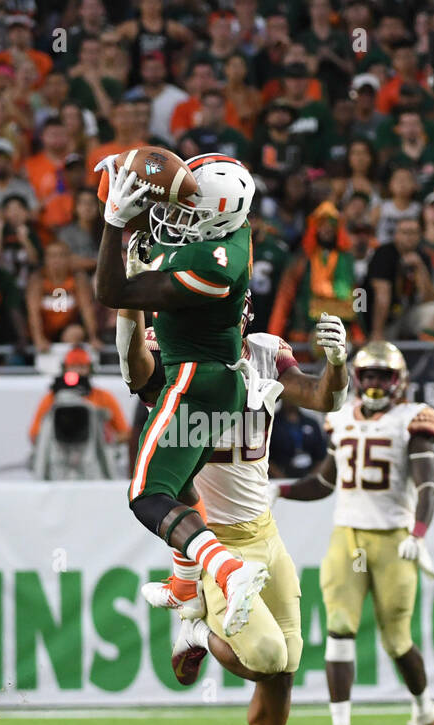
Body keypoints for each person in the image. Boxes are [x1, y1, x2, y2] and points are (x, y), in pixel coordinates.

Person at [133, 302, 348, 725]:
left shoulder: (265, 353)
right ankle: (197, 632)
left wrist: (338, 363)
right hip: (211, 538)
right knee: (265, 660)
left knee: (287, 667)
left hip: (266, 534)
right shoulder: (170, 359)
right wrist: (129, 305)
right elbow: (133, 362)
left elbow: (325, 398)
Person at [93, 152, 271, 640]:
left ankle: (230, 571)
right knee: (183, 488)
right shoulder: (232, 233)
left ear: (216, 218)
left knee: (146, 496)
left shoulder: (209, 269)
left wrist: (113, 227)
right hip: (220, 386)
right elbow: (183, 193)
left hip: (194, 380)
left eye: (190, 215)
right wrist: (140, 170)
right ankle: (186, 585)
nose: (175, 218)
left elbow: (110, 291)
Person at [278, 342, 434, 725]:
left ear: (398, 380)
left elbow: (426, 485)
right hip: (348, 537)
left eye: (381, 376)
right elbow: (324, 481)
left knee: (397, 640)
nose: (372, 383)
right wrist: (280, 489)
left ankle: (425, 708)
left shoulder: (412, 419)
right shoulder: (341, 419)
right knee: (338, 627)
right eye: (367, 375)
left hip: (392, 538)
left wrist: (418, 533)